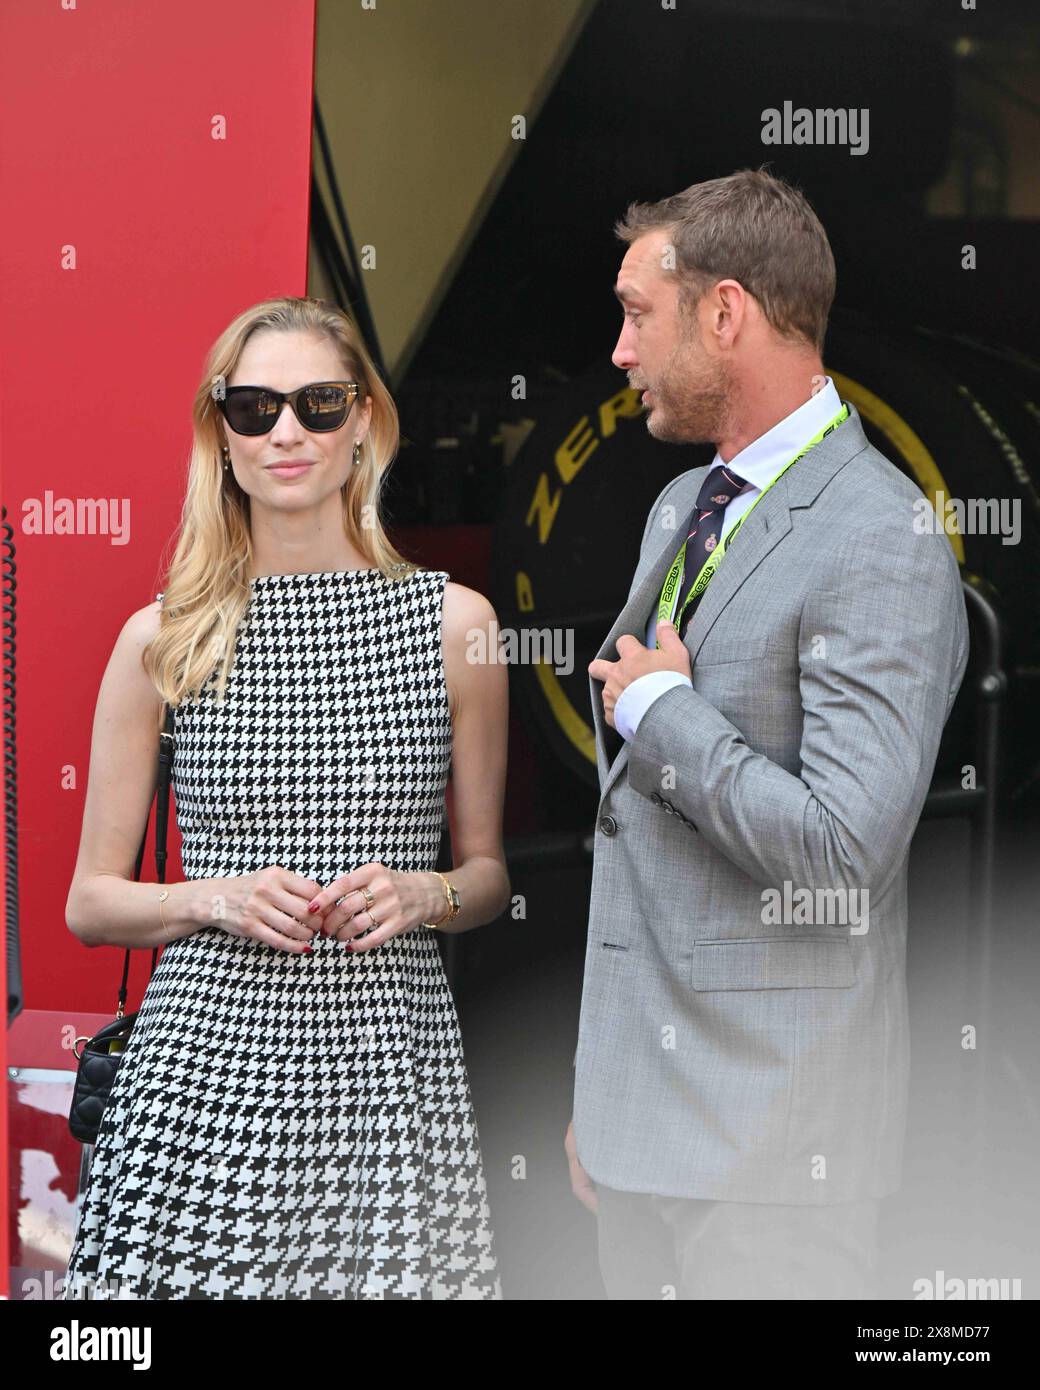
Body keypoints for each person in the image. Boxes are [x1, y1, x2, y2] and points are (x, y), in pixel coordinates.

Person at [566, 168, 969, 1299]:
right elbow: (633, 842)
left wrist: (663, 714)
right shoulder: (678, 501)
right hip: (636, 1133)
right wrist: (602, 1102)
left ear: (725, 312)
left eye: (637, 313)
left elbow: (844, 851)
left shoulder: (877, 533)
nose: (618, 351)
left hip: (775, 1154)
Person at [62, 295, 509, 1300]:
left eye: (315, 403)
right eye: (254, 408)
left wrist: (421, 892)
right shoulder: (160, 640)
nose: (286, 433)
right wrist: (209, 897)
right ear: (219, 434)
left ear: (363, 423)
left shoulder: (455, 626)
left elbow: (485, 875)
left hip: (383, 1073)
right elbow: (90, 902)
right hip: (200, 1080)